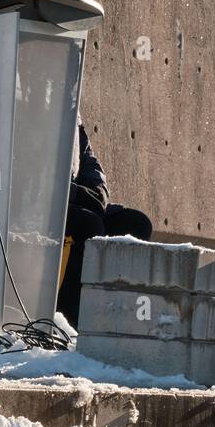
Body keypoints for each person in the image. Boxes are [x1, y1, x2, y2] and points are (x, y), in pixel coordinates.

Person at [56, 121, 153, 325]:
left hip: (78, 199)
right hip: (46, 204)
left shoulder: (72, 114)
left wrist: (94, 194)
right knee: (89, 225)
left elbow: (91, 164)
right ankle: (67, 317)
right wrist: (78, 194)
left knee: (137, 224)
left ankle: (110, 315)